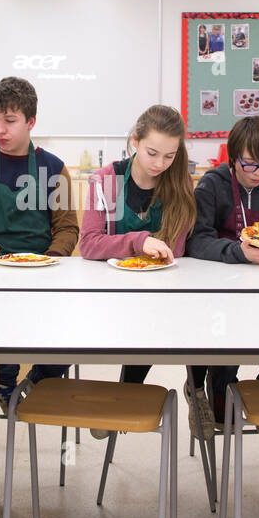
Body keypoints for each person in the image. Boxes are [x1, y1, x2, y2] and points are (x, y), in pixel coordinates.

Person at [0, 76, 79, 405]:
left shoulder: (55, 169)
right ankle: (2, 383)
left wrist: (49, 258)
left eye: (9, 121)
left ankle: (38, 379)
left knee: (71, 337)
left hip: (44, 273)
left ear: (31, 121)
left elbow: (67, 229)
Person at [80, 105, 197, 434]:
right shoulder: (104, 180)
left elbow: (177, 251)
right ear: (135, 142)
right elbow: (88, 244)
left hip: (160, 294)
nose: (160, 164)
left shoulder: (182, 183)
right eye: (152, 153)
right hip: (110, 292)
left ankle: (126, 397)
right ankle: (116, 398)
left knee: (162, 325)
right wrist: (138, 241)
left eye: (170, 156)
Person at [187, 115, 259, 440]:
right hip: (220, 287)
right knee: (226, 334)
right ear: (233, 156)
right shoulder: (211, 185)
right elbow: (198, 241)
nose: (257, 175)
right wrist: (241, 253)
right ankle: (217, 390)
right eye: (249, 165)